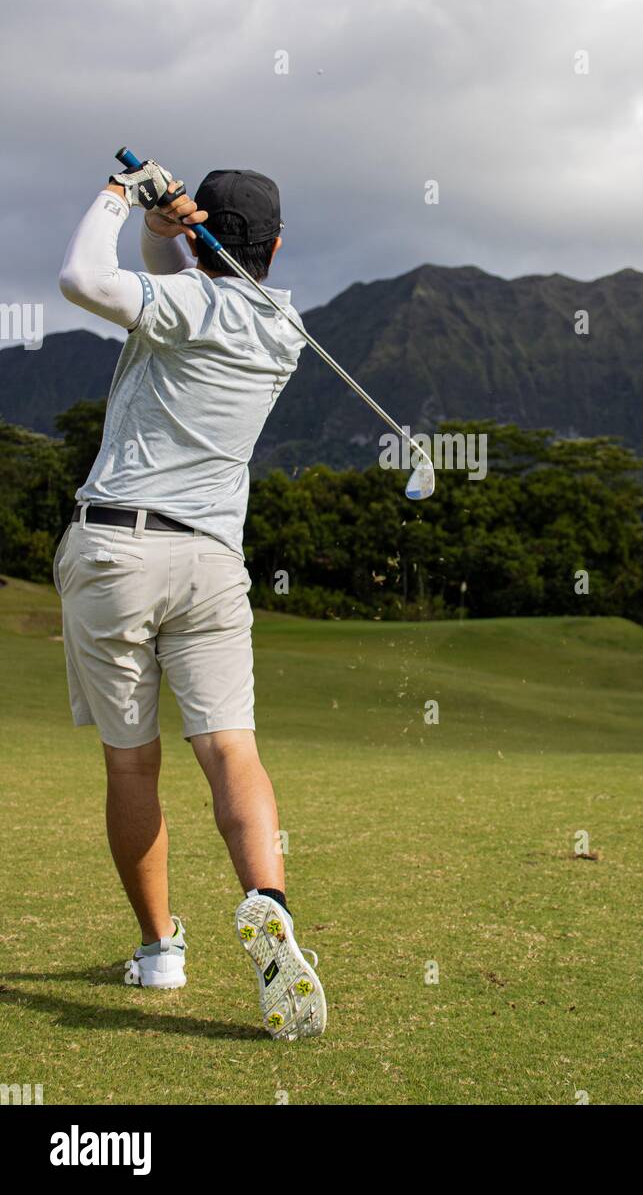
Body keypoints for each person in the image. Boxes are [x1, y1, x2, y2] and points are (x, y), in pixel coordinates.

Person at [54, 158, 326, 1040]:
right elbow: (182, 285)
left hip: (118, 548)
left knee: (133, 763)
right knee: (230, 751)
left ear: (206, 227)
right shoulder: (284, 328)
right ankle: (270, 903)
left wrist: (119, 196)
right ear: (276, 246)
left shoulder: (189, 307)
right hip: (211, 561)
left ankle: (161, 950)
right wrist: (167, 231)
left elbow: (81, 279)